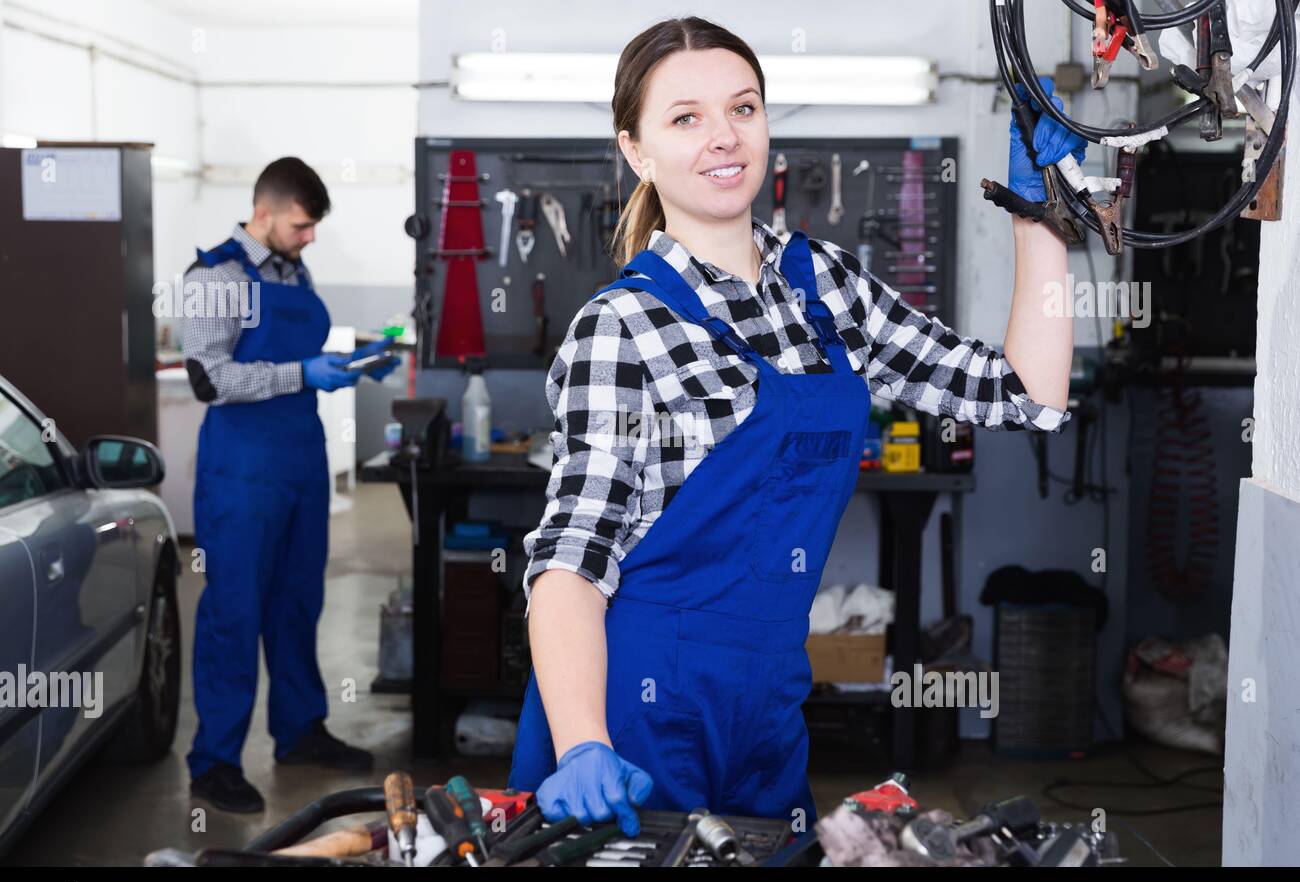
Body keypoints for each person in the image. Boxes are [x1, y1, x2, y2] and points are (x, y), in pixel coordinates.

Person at [508, 17, 1082, 837]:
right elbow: (570, 558)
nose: (723, 137)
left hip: (769, 703)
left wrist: (1041, 220)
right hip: (631, 710)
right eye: (685, 118)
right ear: (636, 150)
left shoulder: (825, 288)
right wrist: (583, 744)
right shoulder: (620, 327)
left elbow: (1027, 395)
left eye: (743, 108)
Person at [182, 157, 399, 812]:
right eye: (302, 226)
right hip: (241, 474)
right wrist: (304, 374)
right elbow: (208, 379)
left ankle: (299, 729)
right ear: (266, 212)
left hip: (299, 464)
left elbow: (289, 359)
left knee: (298, 602)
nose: (310, 239)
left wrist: (356, 360)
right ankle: (215, 760)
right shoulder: (215, 275)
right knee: (234, 612)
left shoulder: (289, 270)